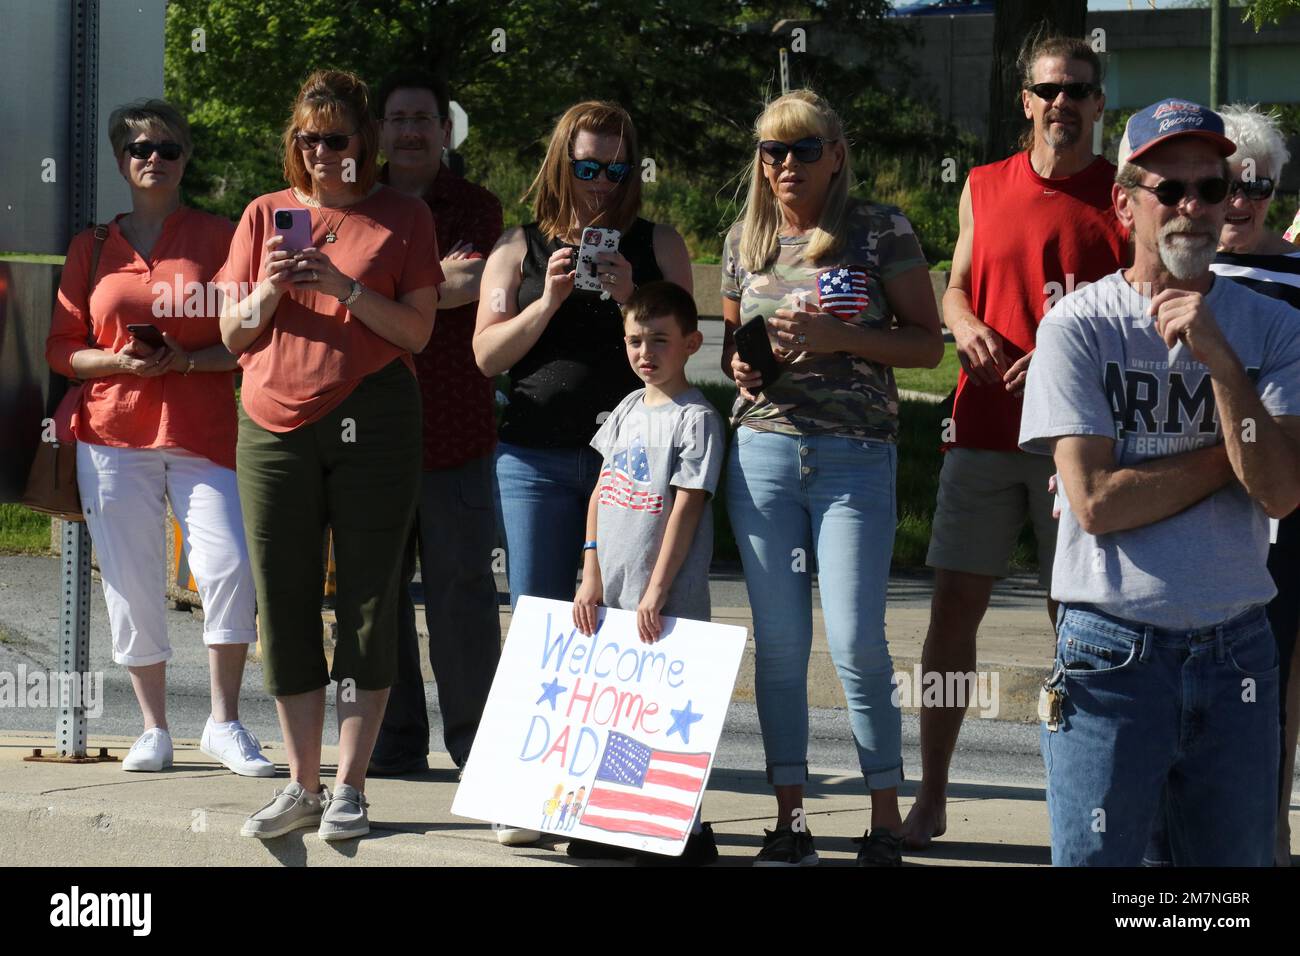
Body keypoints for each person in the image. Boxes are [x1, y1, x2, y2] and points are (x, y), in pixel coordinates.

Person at [1020, 99, 1300, 866]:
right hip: (1111, 651)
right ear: (1123, 201)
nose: (1194, 208)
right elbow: (1098, 503)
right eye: (1168, 190)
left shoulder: (1270, 328)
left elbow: (1278, 493)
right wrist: (1234, 457)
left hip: (1239, 649)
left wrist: (1221, 363)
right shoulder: (1077, 325)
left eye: (1212, 189)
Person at [903, 33, 1128, 850]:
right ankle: (932, 793)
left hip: (1081, 445)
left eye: (1078, 90)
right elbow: (956, 287)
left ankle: (1087, 798)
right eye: (1048, 90)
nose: (1062, 103)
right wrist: (963, 326)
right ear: (1025, 101)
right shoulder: (983, 184)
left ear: (1099, 104)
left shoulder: (1126, 195)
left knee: (1081, 626)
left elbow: (1145, 315)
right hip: (985, 430)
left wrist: (1070, 353)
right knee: (951, 618)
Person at [217, 70, 441, 841]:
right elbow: (230, 334)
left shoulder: (404, 215)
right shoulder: (263, 215)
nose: (321, 152)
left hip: (374, 414)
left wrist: (344, 287)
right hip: (271, 422)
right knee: (282, 599)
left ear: (363, 144)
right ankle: (300, 784)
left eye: (336, 137)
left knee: (370, 603)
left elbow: (416, 332)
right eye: (308, 138)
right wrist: (271, 293)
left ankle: (350, 786)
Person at [722, 90, 944, 867]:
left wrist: (836, 335)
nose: (787, 164)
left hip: (855, 459)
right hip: (764, 458)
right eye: (773, 151)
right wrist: (746, 361)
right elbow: (731, 352)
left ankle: (884, 818)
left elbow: (925, 346)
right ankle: (791, 822)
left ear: (837, 153)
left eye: (805, 148)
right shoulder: (743, 240)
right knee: (779, 646)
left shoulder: (880, 231)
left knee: (855, 641)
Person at [473, 100, 692, 844]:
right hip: (533, 454)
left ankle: (612, 795)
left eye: (617, 169)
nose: (601, 183)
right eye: (588, 166)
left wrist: (634, 294)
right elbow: (487, 354)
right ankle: (529, 793)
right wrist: (549, 300)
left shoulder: (658, 243)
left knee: (631, 624)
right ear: (561, 162)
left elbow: (684, 340)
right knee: (541, 619)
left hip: (632, 461)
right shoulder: (516, 246)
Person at [45, 99, 270, 777]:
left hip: (205, 429)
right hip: (112, 433)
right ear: (121, 160)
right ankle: (153, 728)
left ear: (185, 159)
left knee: (229, 566)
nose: (154, 159)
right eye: (141, 148)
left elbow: (251, 337)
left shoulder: (221, 236)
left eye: (168, 149)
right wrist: (120, 360)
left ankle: (225, 723)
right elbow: (63, 350)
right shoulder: (91, 247)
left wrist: (191, 360)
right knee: (131, 580)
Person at [367, 68, 505, 779]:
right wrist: (424, 286)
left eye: (423, 119)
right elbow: (438, 287)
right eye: (398, 119)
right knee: (376, 592)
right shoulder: (358, 201)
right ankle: (392, 743)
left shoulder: (475, 205)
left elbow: (472, 281)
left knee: (464, 595)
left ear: (444, 131)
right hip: (369, 435)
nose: (411, 132)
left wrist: (371, 292)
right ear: (380, 131)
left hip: (455, 428)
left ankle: (476, 744)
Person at [571, 280, 725, 866]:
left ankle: (682, 828)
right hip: (609, 592)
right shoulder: (628, 408)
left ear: (691, 343)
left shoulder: (696, 418)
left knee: (665, 715)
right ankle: (611, 818)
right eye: (635, 340)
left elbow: (686, 508)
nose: (645, 352)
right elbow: (600, 492)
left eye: (659, 341)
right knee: (614, 709)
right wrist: (590, 570)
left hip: (664, 597)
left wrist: (656, 589)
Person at [1211, 104, 1299, 866]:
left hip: (1281, 500)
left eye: (1258, 188)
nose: (1239, 202)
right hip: (1184, 499)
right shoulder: (1171, 267)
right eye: (1224, 185)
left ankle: (1268, 830)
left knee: (1271, 672)